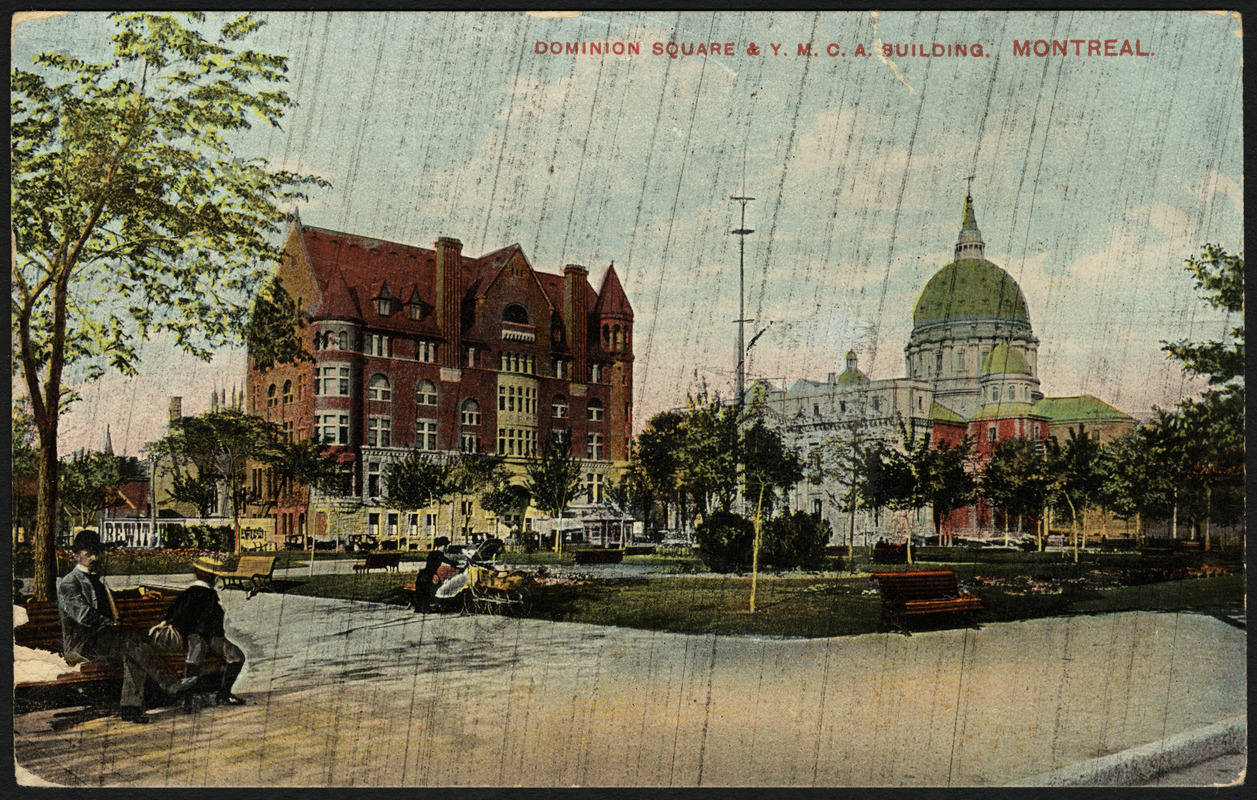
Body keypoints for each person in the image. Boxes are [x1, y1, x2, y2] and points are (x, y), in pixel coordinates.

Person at [57, 530, 198, 724]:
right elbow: (83, 614)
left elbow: (111, 599)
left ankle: (131, 708)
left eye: (96, 552)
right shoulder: (69, 583)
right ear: (76, 555)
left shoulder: (96, 579)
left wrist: (138, 592)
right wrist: (113, 625)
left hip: (104, 639)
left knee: (137, 649)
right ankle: (169, 686)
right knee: (131, 644)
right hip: (82, 644)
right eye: (88, 552)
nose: (93, 556)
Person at [151, 555, 247, 711]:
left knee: (193, 659)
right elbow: (213, 622)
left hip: (192, 637)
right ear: (210, 576)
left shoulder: (188, 593)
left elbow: (175, 613)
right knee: (237, 657)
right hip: (206, 637)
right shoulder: (208, 594)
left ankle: (186, 700)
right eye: (214, 574)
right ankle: (224, 693)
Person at [411, 536, 454, 613]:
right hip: (428, 575)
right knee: (426, 591)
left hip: (423, 573)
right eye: (446, 546)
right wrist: (456, 564)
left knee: (421, 591)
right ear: (443, 546)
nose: (446, 548)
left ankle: (418, 608)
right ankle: (425, 608)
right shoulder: (439, 554)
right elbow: (449, 561)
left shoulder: (432, 553)